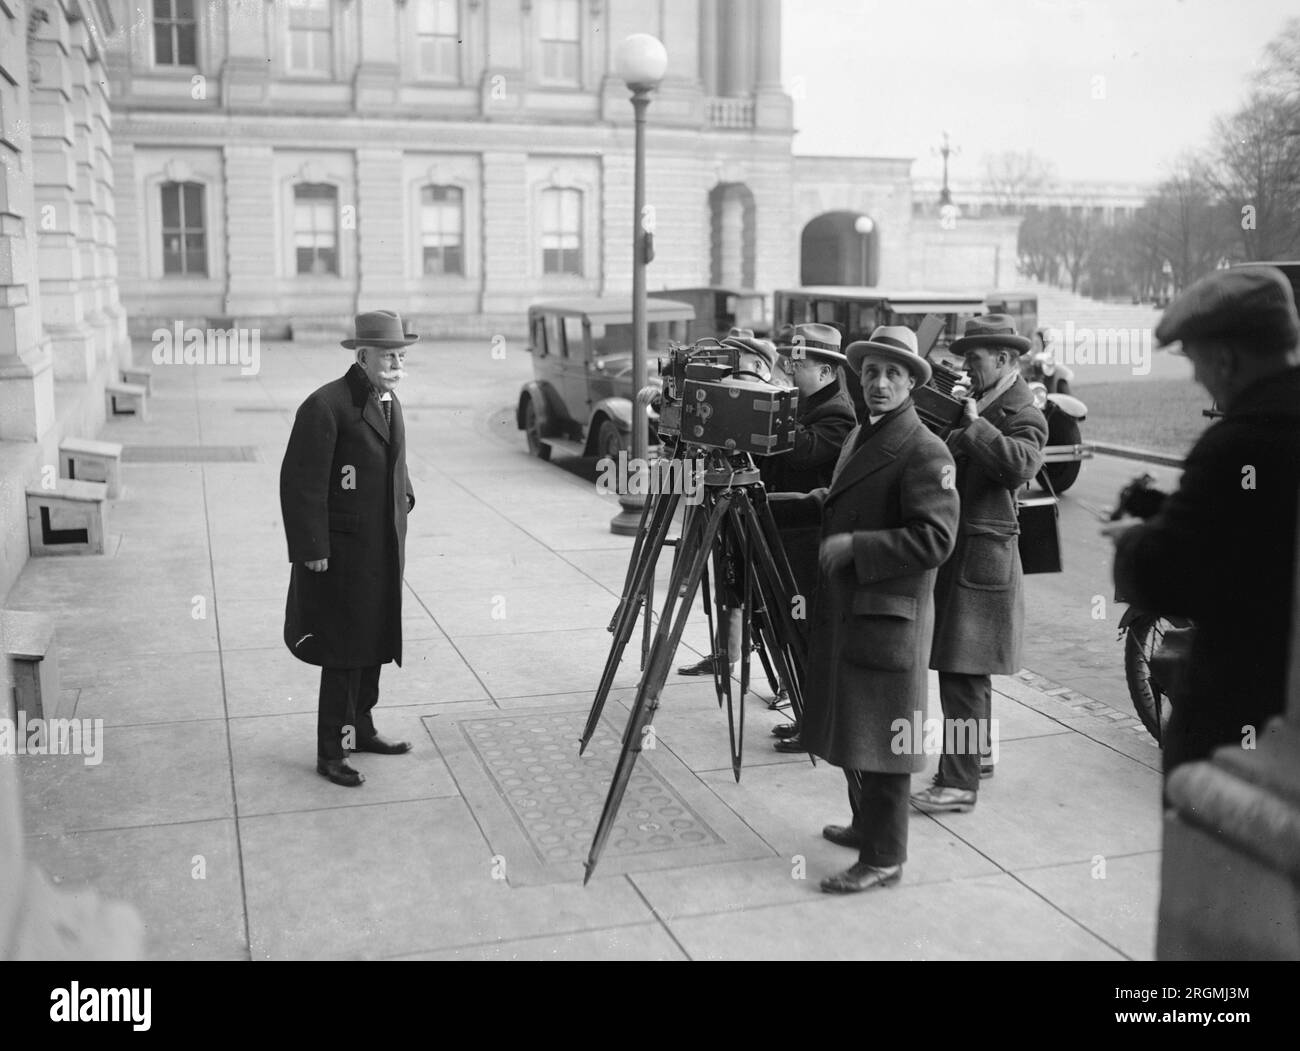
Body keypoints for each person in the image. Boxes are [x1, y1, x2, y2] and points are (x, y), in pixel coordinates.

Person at [773, 326, 959, 893]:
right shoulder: (863, 434)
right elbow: (836, 501)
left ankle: (884, 857)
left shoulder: (926, 450)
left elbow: (936, 539)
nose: (879, 384)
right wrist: (769, 504)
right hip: (857, 611)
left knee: (885, 742)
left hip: (888, 613)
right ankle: (865, 827)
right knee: (861, 732)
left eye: (893, 374)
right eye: (872, 372)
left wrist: (859, 549)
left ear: (910, 382)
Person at [1103, 266, 1300, 774]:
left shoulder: (1240, 441)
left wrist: (1133, 543)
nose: (1195, 376)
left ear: (1226, 358)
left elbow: (1171, 579)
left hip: (1244, 726)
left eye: (1195, 359)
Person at [911, 314, 1047, 814]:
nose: (966, 365)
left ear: (1006, 360)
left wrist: (973, 426)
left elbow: (1017, 465)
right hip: (967, 556)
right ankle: (977, 757)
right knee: (966, 671)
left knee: (961, 670)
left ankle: (957, 783)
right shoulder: (985, 402)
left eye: (975, 357)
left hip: (982, 562)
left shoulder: (1022, 411)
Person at [280, 310, 419, 788]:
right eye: (388, 355)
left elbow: (391, 455)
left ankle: (361, 727)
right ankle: (331, 753)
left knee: (374, 643)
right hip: (340, 556)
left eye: (401, 355)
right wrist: (311, 547)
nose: (397, 363)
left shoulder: (388, 400)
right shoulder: (326, 406)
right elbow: (302, 484)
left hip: (381, 550)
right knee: (342, 652)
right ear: (362, 356)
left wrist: (405, 489)